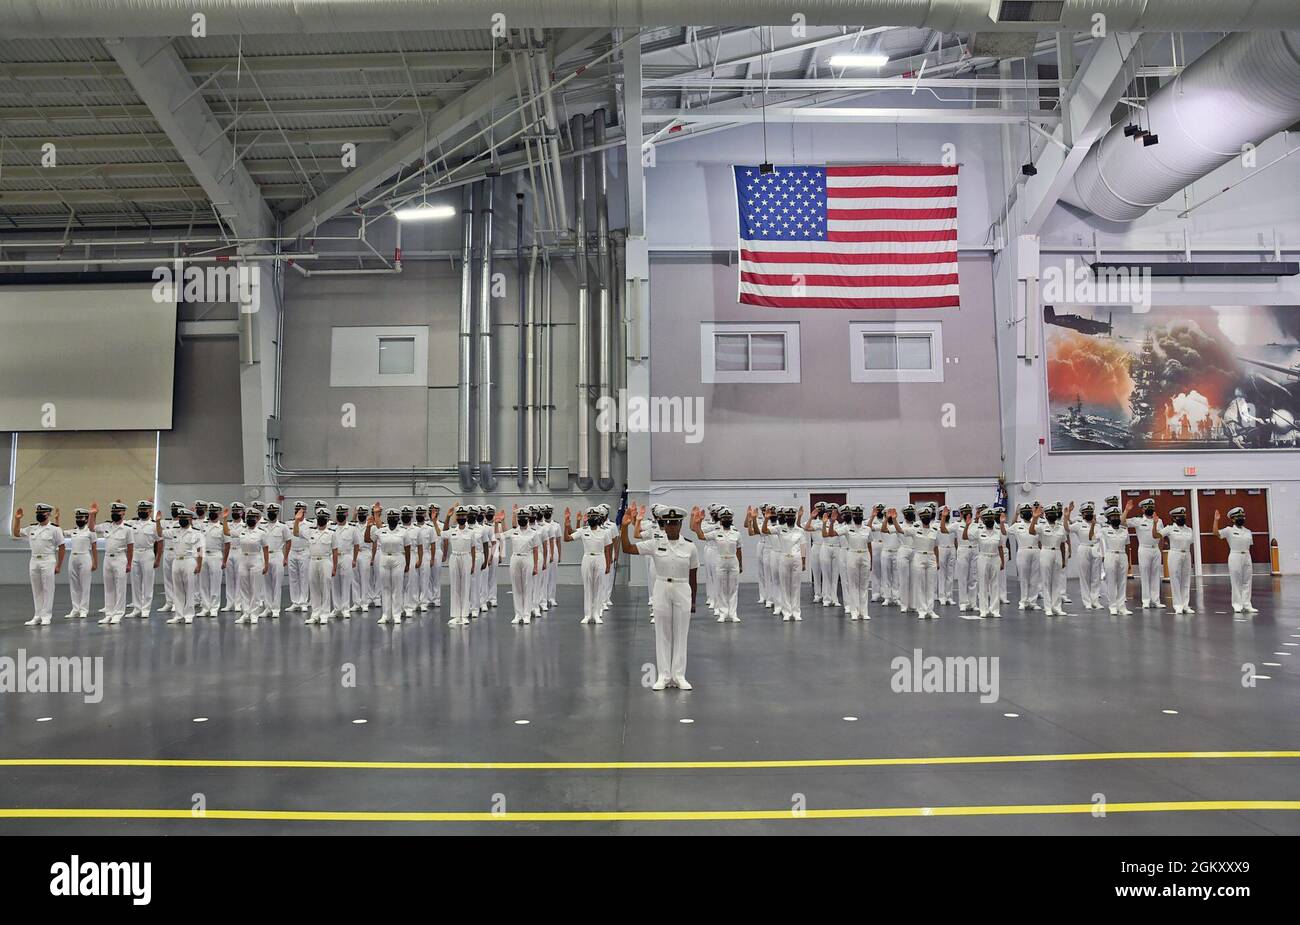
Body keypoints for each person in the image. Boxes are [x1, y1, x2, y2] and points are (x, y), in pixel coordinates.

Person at [621, 503, 698, 691]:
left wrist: (694, 600)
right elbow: (628, 548)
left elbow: (693, 576)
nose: (672, 527)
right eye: (669, 523)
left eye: (675, 524)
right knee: (662, 633)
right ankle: (663, 675)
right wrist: (624, 527)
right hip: (662, 586)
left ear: (680, 525)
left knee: (681, 633)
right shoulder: (655, 543)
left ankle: (679, 675)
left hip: (682, 588)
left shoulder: (690, 546)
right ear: (664, 524)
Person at [12, 503, 64, 625]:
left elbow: (62, 547)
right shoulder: (32, 528)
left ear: (48, 514)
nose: (39, 515)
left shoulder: (55, 529)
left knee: (48, 589)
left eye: (42, 513)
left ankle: (46, 616)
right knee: (36, 589)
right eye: (38, 513)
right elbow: (16, 533)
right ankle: (37, 615)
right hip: (34, 560)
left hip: (48, 560)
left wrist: (59, 565)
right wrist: (17, 519)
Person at [565, 505, 611, 624]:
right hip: (587, 558)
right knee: (587, 587)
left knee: (598, 587)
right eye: (590, 516)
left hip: (600, 557)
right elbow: (567, 538)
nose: (591, 519)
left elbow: (608, 549)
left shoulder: (605, 532)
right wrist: (566, 525)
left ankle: (596, 614)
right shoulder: (583, 530)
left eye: (594, 516)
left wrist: (608, 564)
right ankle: (587, 614)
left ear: (598, 518)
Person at [366, 506, 411, 625]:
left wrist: (407, 564)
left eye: (394, 518)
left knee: (397, 587)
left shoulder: (403, 531)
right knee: (385, 587)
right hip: (384, 557)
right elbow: (367, 539)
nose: (392, 519)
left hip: (398, 558)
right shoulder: (381, 530)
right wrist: (368, 526)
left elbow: (407, 548)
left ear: (398, 519)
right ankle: (386, 614)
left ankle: (396, 615)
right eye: (390, 517)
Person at [294, 506, 338, 624]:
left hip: (325, 561)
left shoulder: (331, 534)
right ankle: (315, 614)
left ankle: (324, 614)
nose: (321, 520)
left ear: (327, 519)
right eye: (319, 517)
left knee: (325, 588)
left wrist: (334, 567)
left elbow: (335, 551)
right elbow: (296, 532)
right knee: (314, 588)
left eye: (323, 518)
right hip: (313, 561)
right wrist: (297, 520)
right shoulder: (311, 531)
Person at [163, 508, 204, 625]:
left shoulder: (196, 533)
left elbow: (200, 550)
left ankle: (189, 614)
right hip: (176, 561)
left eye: (184, 518)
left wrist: (199, 565)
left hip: (189, 561)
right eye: (180, 518)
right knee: (178, 590)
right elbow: (160, 533)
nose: (181, 520)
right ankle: (178, 615)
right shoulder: (175, 531)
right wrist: (158, 521)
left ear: (190, 519)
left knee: (189, 589)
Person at [1213, 507, 1258, 614]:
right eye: (1239, 517)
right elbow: (1216, 533)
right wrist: (1216, 520)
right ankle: (1237, 605)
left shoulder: (1248, 531)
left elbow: (1249, 545)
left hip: (1247, 555)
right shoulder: (1229, 530)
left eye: (1242, 517)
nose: (1241, 519)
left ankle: (1247, 604)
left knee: (1247, 581)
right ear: (1233, 519)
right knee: (1236, 581)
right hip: (1235, 555)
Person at [963, 506, 1005, 619]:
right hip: (983, 558)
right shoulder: (978, 531)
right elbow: (965, 537)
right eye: (988, 518)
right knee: (983, 584)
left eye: (992, 518)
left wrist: (1002, 561)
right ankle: (984, 610)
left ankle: (995, 610)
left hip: (995, 558)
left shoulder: (998, 532)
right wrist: (967, 525)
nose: (990, 520)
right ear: (984, 520)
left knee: (995, 584)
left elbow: (1001, 547)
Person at [830, 505, 870, 621]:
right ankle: (854, 611)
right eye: (856, 515)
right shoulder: (847, 528)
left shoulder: (867, 529)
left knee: (863, 585)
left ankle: (864, 612)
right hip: (852, 554)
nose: (858, 517)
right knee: (853, 585)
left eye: (860, 515)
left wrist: (869, 559)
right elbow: (832, 534)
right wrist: (832, 522)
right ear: (853, 516)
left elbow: (869, 544)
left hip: (864, 554)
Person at [233, 506, 270, 624]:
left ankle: (254, 614)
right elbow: (227, 532)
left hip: (256, 559)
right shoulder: (241, 531)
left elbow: (265, 549)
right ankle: (246, 613)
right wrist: (224, 519)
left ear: (257, 519)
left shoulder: (261, 533)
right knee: (244, 588)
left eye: (252, 517)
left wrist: (266, 564)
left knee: (255, 588)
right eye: (248, 517)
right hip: (243, 559)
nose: (250, 519)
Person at [443, 504, 478, 627]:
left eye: (463, 515)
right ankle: (456, 615)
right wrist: (447, 518)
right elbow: (441, 533)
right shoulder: (452, 530)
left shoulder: (471, 532)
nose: (461, 517)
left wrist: (473, 564)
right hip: (454, 557)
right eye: (459, 515)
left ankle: (464, 615)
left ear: (466, 517)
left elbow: (473, 549)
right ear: (457, 517)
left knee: (465, 585)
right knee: (455, 586)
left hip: (466, 557)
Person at [1127, 498, 1165, 608]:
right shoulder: (1138, 521)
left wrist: (1161, 551)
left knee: (1156, 575)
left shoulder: (1159, 521)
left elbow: (1161, 536)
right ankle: (1146, 601)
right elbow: (1123, 522)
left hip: (1156, 549)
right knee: (1145, 575)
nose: (1150, 509)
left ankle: (1156, 600)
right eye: (1147, 507)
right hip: (1144, 549)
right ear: (1142, 509)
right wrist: (1127, 510)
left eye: (1152, 507)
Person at [1035, 502, 1071, 616]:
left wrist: (1064, 560)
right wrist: (1035, 518)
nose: (1052, 516)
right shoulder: (1042, 526)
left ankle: (1057, 607)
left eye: (1053, 513)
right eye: (1049, 514)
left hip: (1057, 553)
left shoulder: (1060, 528)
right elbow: (1031, 531)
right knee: (1046, 581)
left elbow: (1062, 543)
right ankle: (1048, 608)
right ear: (1046, 515)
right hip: (1046, 551)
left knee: (1057, 581)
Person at [61, 506, 97, 620]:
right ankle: (75, 609)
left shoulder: (91, 531)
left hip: (85, 557)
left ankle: (84, 610)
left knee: (85, 585)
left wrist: (95, 562)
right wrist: (57, 520)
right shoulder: (73, 531)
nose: (78, 519)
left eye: (80, 517)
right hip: (73, 557)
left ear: (86, 519)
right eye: (77, 517)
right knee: (74, 584)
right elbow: (60, 533)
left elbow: (94, 548)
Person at [1099, 502, 1134, 615]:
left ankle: (1122, 607)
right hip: (1110, 555)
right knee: (1111, 581)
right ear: (1109, 518)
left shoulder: (1124, 530)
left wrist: (1129, 561)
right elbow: (1094, 538)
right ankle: (1113, 606)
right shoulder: (1104, 530)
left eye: (1117, 516)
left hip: (1122, 555)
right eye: (1113, 517)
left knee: (1122, 582)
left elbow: (1128, 545)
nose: (1116, 518)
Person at [1159, 506, 1197, 614]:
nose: (1182, 518)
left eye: (1183, 516)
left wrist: (1192, 560)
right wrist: (1154, 524)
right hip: (1174, 553)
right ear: (1174, 518)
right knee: (1175, 579)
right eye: (1180, 516)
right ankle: (1178, 605)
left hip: (1187, 554)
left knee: (1186, 580)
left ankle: (1185, 605)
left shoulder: (1189, 529)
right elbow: (1157, 535)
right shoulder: (1170, 528)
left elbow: (1191, 544)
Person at [126, 500, 159, 619]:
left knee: (148, 583)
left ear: (150, 511)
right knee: (135, 582)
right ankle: (137, 608)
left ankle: (145, 609)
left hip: (148, 553)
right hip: (135, 553)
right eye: (140, 510)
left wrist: (158, 558)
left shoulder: (154, 525)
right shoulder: (133, 524)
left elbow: (160, 542)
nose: (142, 512)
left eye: (144, 510)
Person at [709, 507, 742, 623]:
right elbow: (701, 536)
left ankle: (733, 614)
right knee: (721, 588)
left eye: (729, 518)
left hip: (733, 560)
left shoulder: (737, 534)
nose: (727, 520)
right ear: (721, 520)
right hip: (721, 560)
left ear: (732, 520)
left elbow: (739, 549)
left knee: (733, 588)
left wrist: (741, 564)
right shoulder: (716, 533)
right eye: (725, 518)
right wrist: (697, 523)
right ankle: (723, 613)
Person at [1070, 503, 1103, 610]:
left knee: (1096, 577)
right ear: (1082, 514)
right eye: (1086, 513)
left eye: (1090, 512)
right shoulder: (1079, 524)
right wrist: (1067, 515)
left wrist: (1093, 525)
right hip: (1083, 548)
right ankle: (1087, 602)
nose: (1089, 514)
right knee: (1084, 576)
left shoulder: (1098, 525)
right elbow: (1067, 528)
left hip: (1095, 549)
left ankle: (1095, 601)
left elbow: (1094, 537)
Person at [198, 503, 228, 617]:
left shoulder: (222, 527)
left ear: (219, 513)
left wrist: (224, 560)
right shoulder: (203, 526)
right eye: (211, 511)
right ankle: (205, 607)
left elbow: (227, 545)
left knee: (215, 583)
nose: (212, 513)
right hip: (204, 555)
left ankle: (214, 608)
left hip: (216, 556)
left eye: (215, 511)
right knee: (203, 583)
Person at [262, 503, 291, 618]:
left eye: (273, 512)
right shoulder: (263, 526)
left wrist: (286, 557)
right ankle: (268, 608)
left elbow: (288, 541)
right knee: (266, 584)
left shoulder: (283, 527)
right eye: (269, 511)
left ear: (277, 513)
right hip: (265, 556)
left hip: (277, 555)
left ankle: (275, 609)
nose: (271, 513)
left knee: (276, 584)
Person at [1009, 503, 1040, 611]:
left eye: (1029, 512)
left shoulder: (1036, 525)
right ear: (1021, 514)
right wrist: (1015, 514)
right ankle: (1023, 601)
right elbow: (1009, 529)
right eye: (1025, 512)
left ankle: (1033, 601)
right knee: (1023, 577)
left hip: (1036, 550)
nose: (1027, 513)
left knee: (1035, 578)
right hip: (1023, 550)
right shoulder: (1017, 525)